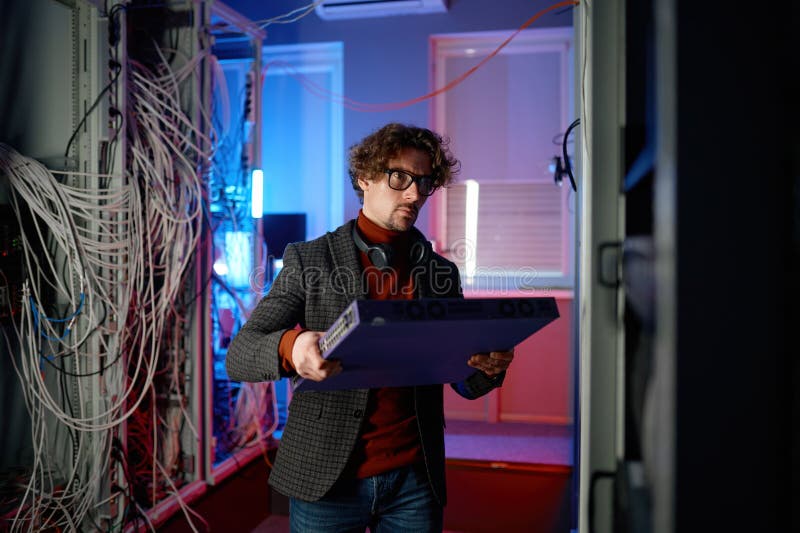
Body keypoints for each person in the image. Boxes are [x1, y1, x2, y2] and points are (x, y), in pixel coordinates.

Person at [225, 123, 515, 532]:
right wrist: (293, 349)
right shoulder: (311, 260)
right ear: (364, 178)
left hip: (415, 478)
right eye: (400, 178)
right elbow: (241, 353)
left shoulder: (441, 273)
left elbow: (463, 379)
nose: (415, 194)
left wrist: (488, 365)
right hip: (327, 477)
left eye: (424, 182)